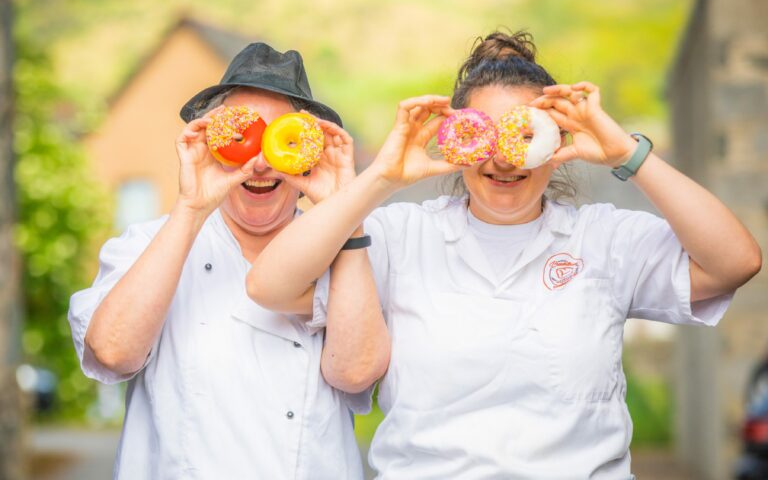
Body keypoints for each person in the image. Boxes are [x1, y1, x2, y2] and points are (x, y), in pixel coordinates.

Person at [246, 31, 763, 479]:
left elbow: (736, 263)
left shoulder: (604, 237)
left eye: (524, 134)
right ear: (457, 142)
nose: (502, 158)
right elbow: (270, 286)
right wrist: (381, 177)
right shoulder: (401, 236)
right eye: (483, 134)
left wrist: (627, 154)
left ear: (558, 141)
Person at [68, 42, 381, 479]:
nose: (260, 163)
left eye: (280, 139)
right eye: (240, 137)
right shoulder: (149, 244)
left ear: (309, 153)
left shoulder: (349, 255)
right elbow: (113, 352)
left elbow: (356, 373)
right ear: (212, 145)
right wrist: (191, 206)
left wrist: (345, 211)